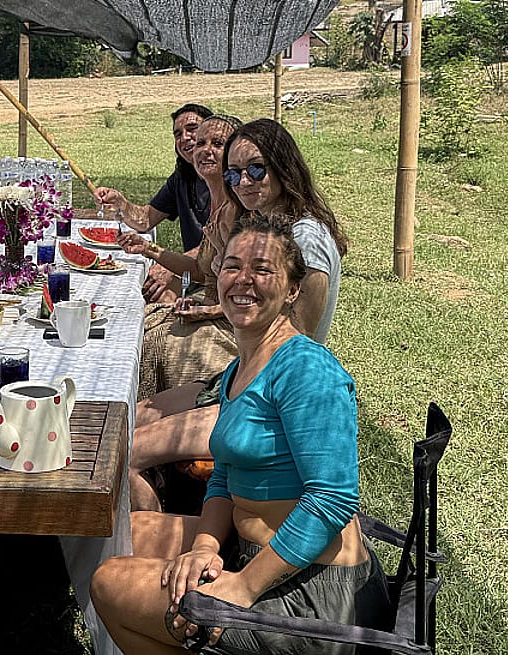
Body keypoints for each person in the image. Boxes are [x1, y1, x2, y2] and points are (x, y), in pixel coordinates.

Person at [90, 214, 387, 655]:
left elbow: (332, 499)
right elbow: (226, 472)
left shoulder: (307, 369)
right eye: (232, 265)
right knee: (130, 530)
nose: (242, 279)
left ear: (291, 290)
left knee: (109, 582)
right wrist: (205, 547)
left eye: (262, 269)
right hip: (251, 549)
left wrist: (242, 588)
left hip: (315, 595)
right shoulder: (239, 369)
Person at [129, 118, 348, 511]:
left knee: (123, 455)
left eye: (256, 169)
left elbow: (296, 342)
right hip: (237, 383)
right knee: (133, 418)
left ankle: (159, 539)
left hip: (268, 407)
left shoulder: (306, 240)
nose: (243, 181)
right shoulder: (265, 229)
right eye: (233, 173)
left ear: (283, 166)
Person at [116, 114, 242, 399]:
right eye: (201, 143)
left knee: (151, 341)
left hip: (229, 325)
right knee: (129, 325)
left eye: (218, 143)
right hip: (208, 308)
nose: (204, 150)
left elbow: (253, 298)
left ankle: (153, 413)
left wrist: (207, 311)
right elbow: (200, 270)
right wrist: (148, 249)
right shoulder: (217, 204)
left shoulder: (241, 212)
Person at [94, 103, 213, 303]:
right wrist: (121, 202)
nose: (184, 137)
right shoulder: (182, 177)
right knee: (144, 296)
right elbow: (146, 219)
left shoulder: (232, 181)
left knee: (160, 300)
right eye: (177, 134)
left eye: (192, 129)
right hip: (193, 270)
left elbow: (221, 245)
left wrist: (170, 265)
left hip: (218, 274)